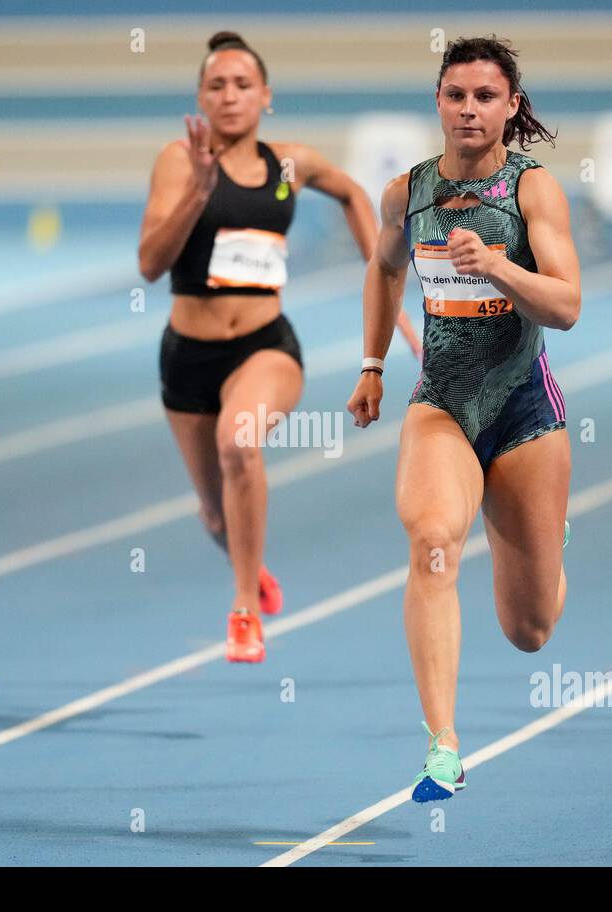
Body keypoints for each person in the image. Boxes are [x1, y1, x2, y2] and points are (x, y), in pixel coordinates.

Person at [347, 36, 580, 801]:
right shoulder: (405, 194)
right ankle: (442, 743)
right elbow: (382, 271)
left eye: (486, 96)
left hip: (522, 410)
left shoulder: (533, 190)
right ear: (439, 102)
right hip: (441, 403)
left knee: (530, 629)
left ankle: (548, 553)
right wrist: (374, 365)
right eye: (456, 95)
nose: (470, 109)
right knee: (433, 542)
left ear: (511, 107)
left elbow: (568, 307)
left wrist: (500, 267)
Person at [138, 31, 420, 664]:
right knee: (217, 517)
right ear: (200, 97)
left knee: (240, 441)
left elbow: (353, 193)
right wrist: (199, 193)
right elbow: (150, 264)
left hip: (266, 347)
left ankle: (243, 610)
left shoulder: (289, 163)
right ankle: (250, 564)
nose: (230, 96)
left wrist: (385, 282)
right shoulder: (178, 162)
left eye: (243, 85)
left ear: (266, 97)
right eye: (217, 85)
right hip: (187, 356)